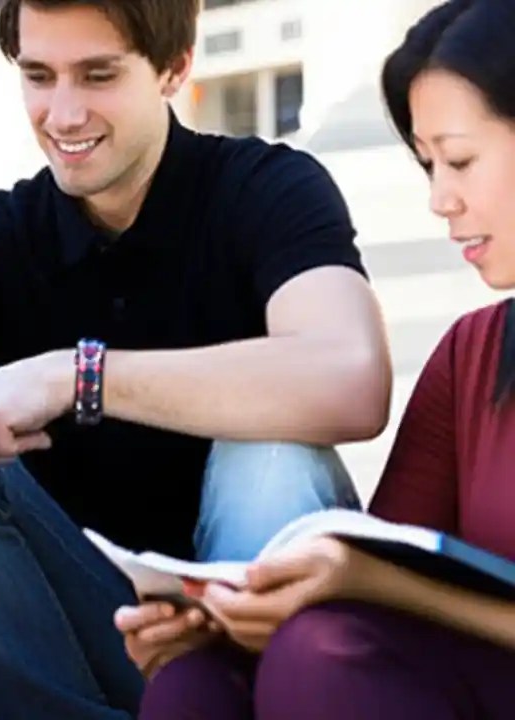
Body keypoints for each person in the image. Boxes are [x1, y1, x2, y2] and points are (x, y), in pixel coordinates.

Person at [0, 0, 393, 716]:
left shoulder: (267, 189)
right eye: (39, 76)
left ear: (175, 67)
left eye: (97, 76)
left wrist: (78, 376)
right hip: (95, 643)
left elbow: (350, 377)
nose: (63, 113)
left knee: (269, 456)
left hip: (251, 641)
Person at [130, 1, 515, 717]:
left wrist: (363, 582)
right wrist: (219, 623)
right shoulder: (471, 354)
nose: (439, 199)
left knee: (321, 656)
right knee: (197, 682)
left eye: (460, 160)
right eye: (428, 165)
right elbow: (379, 566)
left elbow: (375, 583)